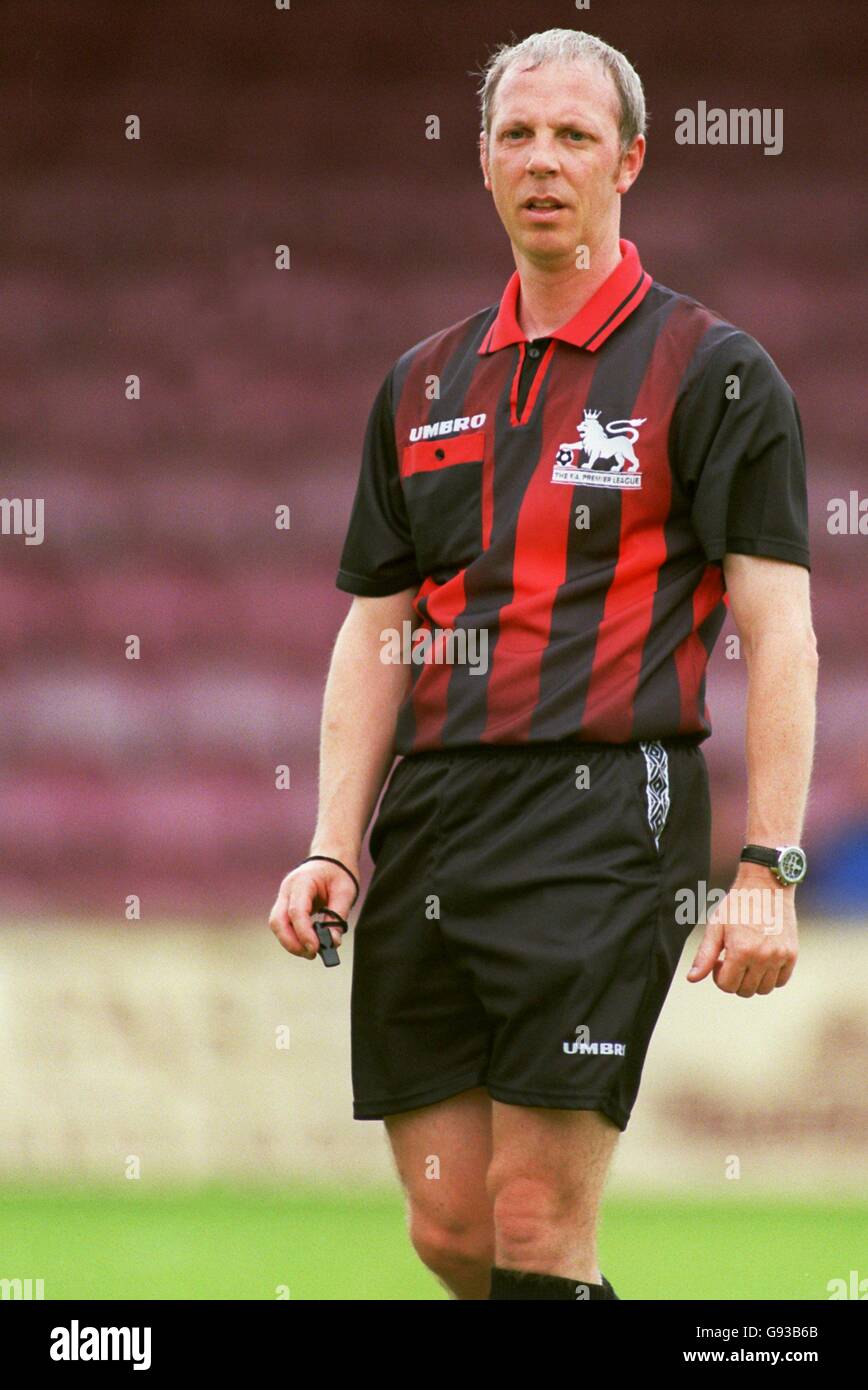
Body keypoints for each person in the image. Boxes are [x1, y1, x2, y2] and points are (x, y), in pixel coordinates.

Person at [269, 28, 817, 1301]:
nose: (542, 161)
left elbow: (777, 630)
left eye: (574, 136)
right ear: (481, 163)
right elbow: (375, 627)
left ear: (628, 160)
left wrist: (767, 865)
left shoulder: (718, 375)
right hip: (437, 820)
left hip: (608, 811)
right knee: (453, 1233)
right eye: (517, 135)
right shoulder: (420, 385)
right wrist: (332, 841)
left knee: (534, 1220)